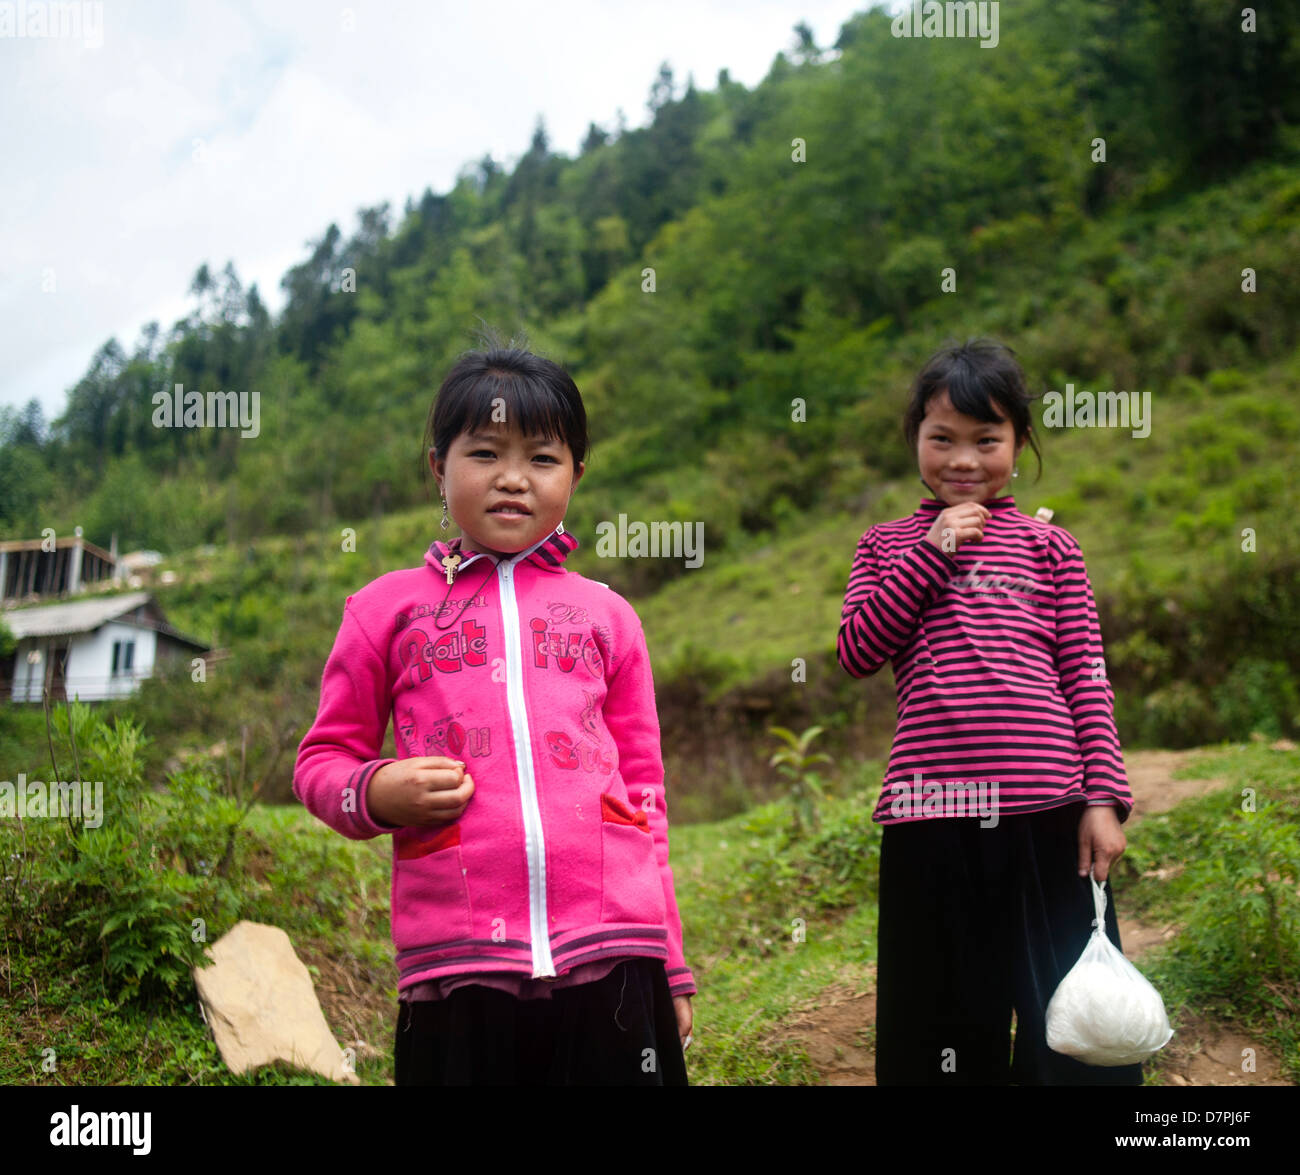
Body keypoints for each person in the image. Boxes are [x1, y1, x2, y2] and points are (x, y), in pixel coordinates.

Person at [293, 340, 694, 1085]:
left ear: (576, 472)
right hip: (461, 966)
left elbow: (646, 794)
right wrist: (379, 790)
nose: (513, 479)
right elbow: (321, 763)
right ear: (438, 467)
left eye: (543, 458)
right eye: (484, 452)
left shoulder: (609, 616)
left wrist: (668, 959)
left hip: (614, 953)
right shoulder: (384, 610)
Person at [837, 338, 1140, 1085]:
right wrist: (930, 552)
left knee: (1067, 1028)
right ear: (914, 439)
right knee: (937, 1022)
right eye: (941, 438)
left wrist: (1103, 798)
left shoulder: (1051, 549)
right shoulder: (885, 546)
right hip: (930, 820)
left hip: (1047, 819)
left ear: (1019, 443)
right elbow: (856, 650)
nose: (962, 459)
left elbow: (1087, 678)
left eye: (986, 439)